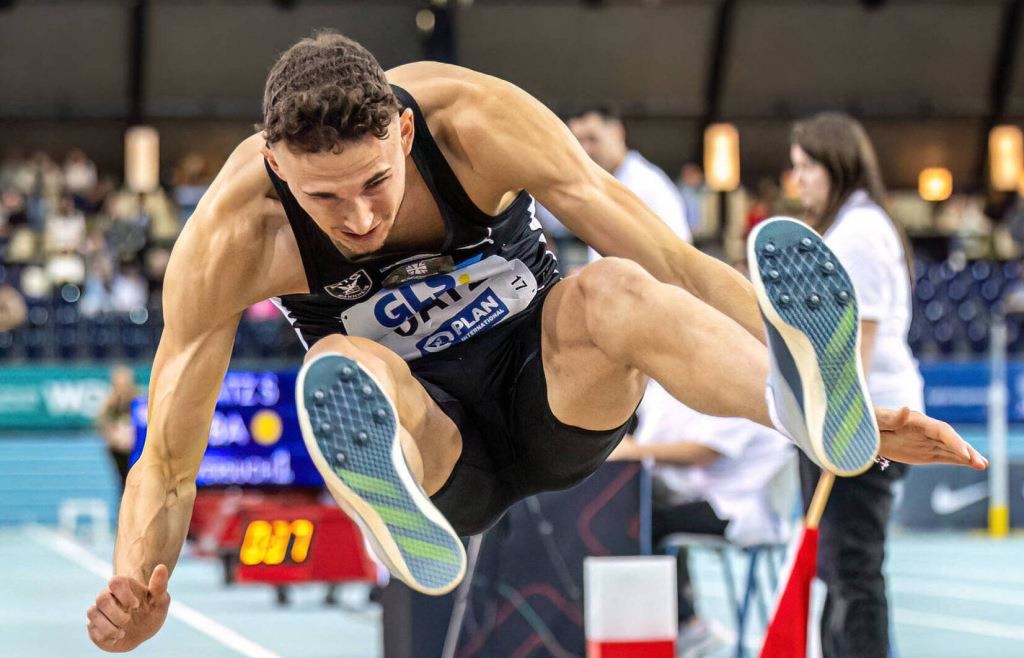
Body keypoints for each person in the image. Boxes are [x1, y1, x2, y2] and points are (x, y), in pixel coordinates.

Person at [86, 32, 986, 652]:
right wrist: (138, 580)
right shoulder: (231, 238)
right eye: (325, 199)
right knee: (335, 366)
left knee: (617, 287)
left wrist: (848, 409)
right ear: (276, 165)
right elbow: (166, 457)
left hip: (552, 389)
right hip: (437, 448)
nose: (358, 217)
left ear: (405, 129)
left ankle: (797, 401)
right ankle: (392, 509)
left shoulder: (477, 121)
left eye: (376, 182)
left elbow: (672, 257)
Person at [788, 112, 923, 658]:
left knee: (854, 571)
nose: (797, 181)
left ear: (836, 166)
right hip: (848, 421)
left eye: (805, 168)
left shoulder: (861, 233)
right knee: (840, 572)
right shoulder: (846, 226)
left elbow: (856, 354)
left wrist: (836, 433)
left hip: (866, 423)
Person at [611, 380, 792, 657]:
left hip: (738, 508)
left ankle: (687, 622)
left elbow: (704, 452)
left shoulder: (745, 386)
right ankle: (679, 620)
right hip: (706, 495)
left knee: (644, 524)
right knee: (643, 509)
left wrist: (635, 451)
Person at [566, 106, 691, 260]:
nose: (586, 149)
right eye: (578, 141)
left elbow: (677, 254)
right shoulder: (607, 181)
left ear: (617, 132)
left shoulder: (643, 182)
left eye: (592, 139)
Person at [96, 366, 140, 493]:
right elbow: (102, 424)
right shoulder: (110, 405)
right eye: (118, 385)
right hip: (119, 452)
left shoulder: (138, 402)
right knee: (125, 486)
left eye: (125, 384)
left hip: (137, 450)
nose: (122, 389)